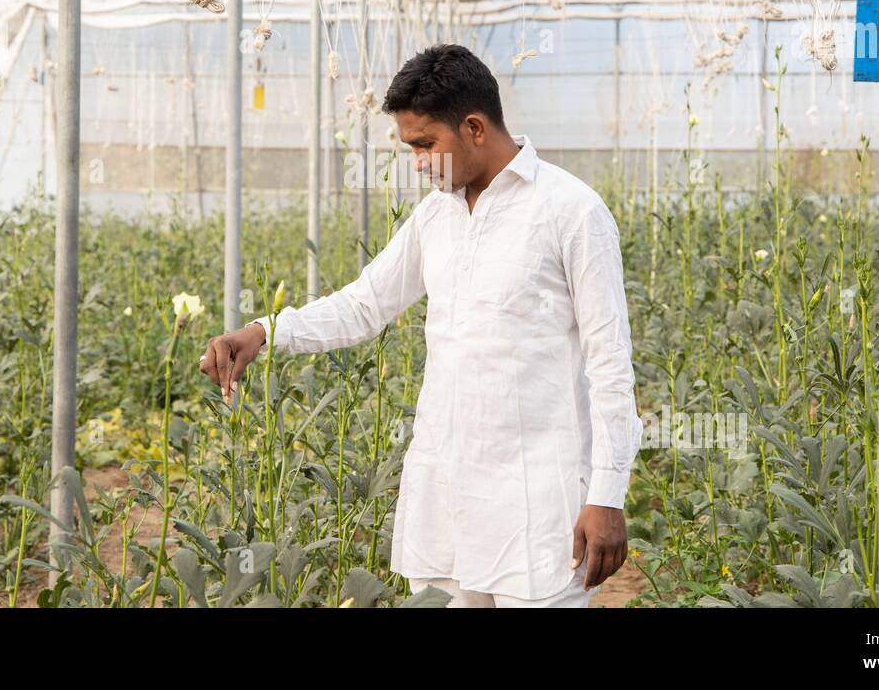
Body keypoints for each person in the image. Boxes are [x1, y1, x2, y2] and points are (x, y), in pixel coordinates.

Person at [199, 43, 643, 608]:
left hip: (537, 501)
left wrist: (607, 493)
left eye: (425, 145)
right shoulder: (436, 216)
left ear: (475, 127)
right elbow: (365, 303)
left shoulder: (571, 211)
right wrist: (265, 331)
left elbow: (610, 365)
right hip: (448, 491)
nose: (417, 163)